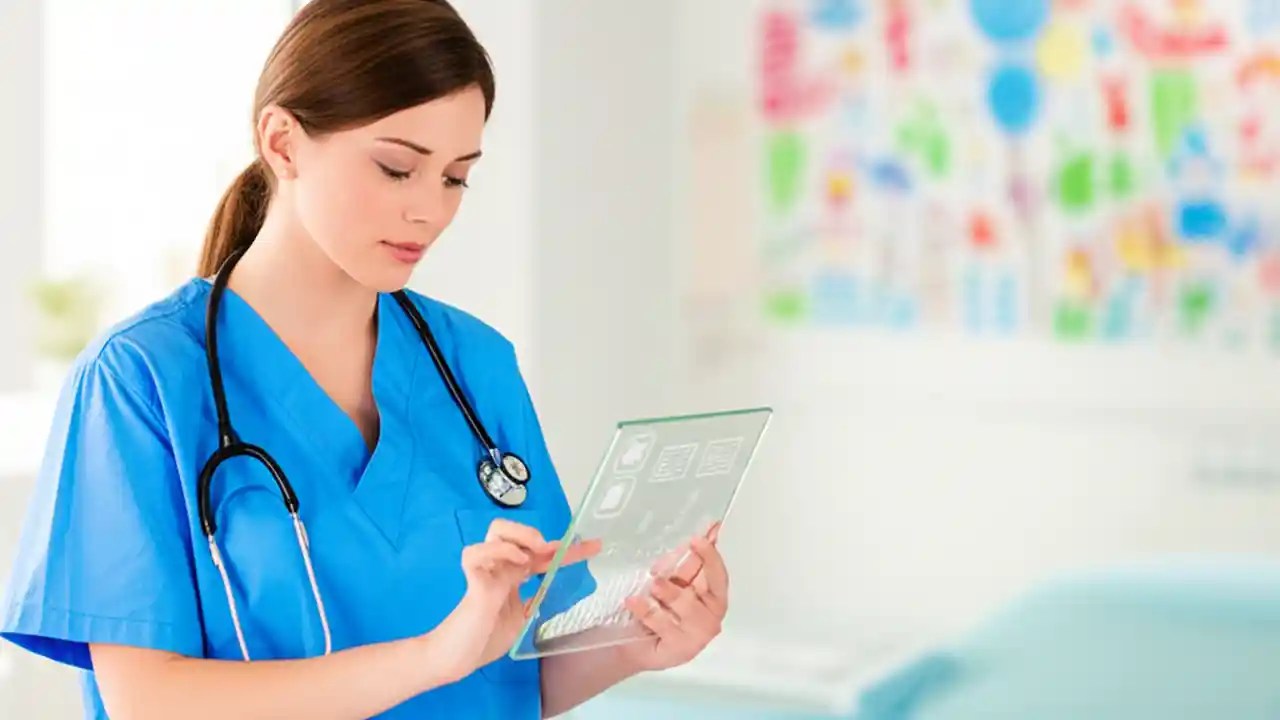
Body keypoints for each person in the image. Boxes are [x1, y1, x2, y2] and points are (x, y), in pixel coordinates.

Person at [0, 1, 731, 717]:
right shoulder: (140, 381)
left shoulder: (475, 366)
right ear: (282, 143)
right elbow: (149, 702)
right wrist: (432, 656)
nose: (431, 211)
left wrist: (642, 638)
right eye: (396, 169)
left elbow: (520, 669)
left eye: (455, 176)